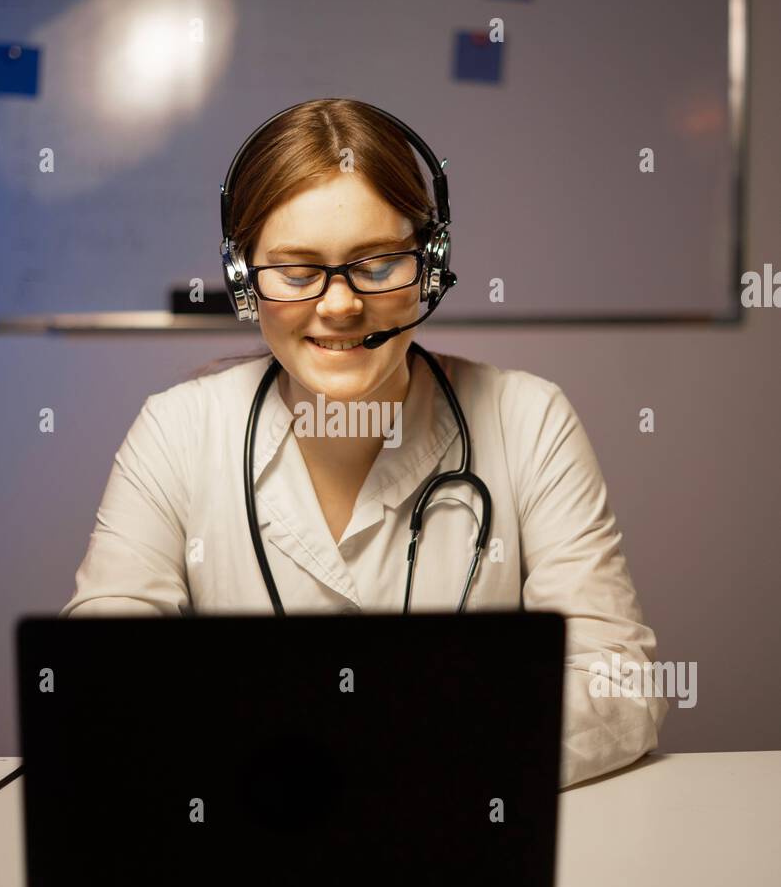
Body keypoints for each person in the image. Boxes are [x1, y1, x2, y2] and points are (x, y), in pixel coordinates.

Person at [60, 98, 667, 789]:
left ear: (430, 266)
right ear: (243, 283)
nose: (341, 305)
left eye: (377, 265)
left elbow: (619, 684)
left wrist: (398, 747)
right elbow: (97, 686)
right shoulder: (175, 433)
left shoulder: (529, 421)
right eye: (297, 273)